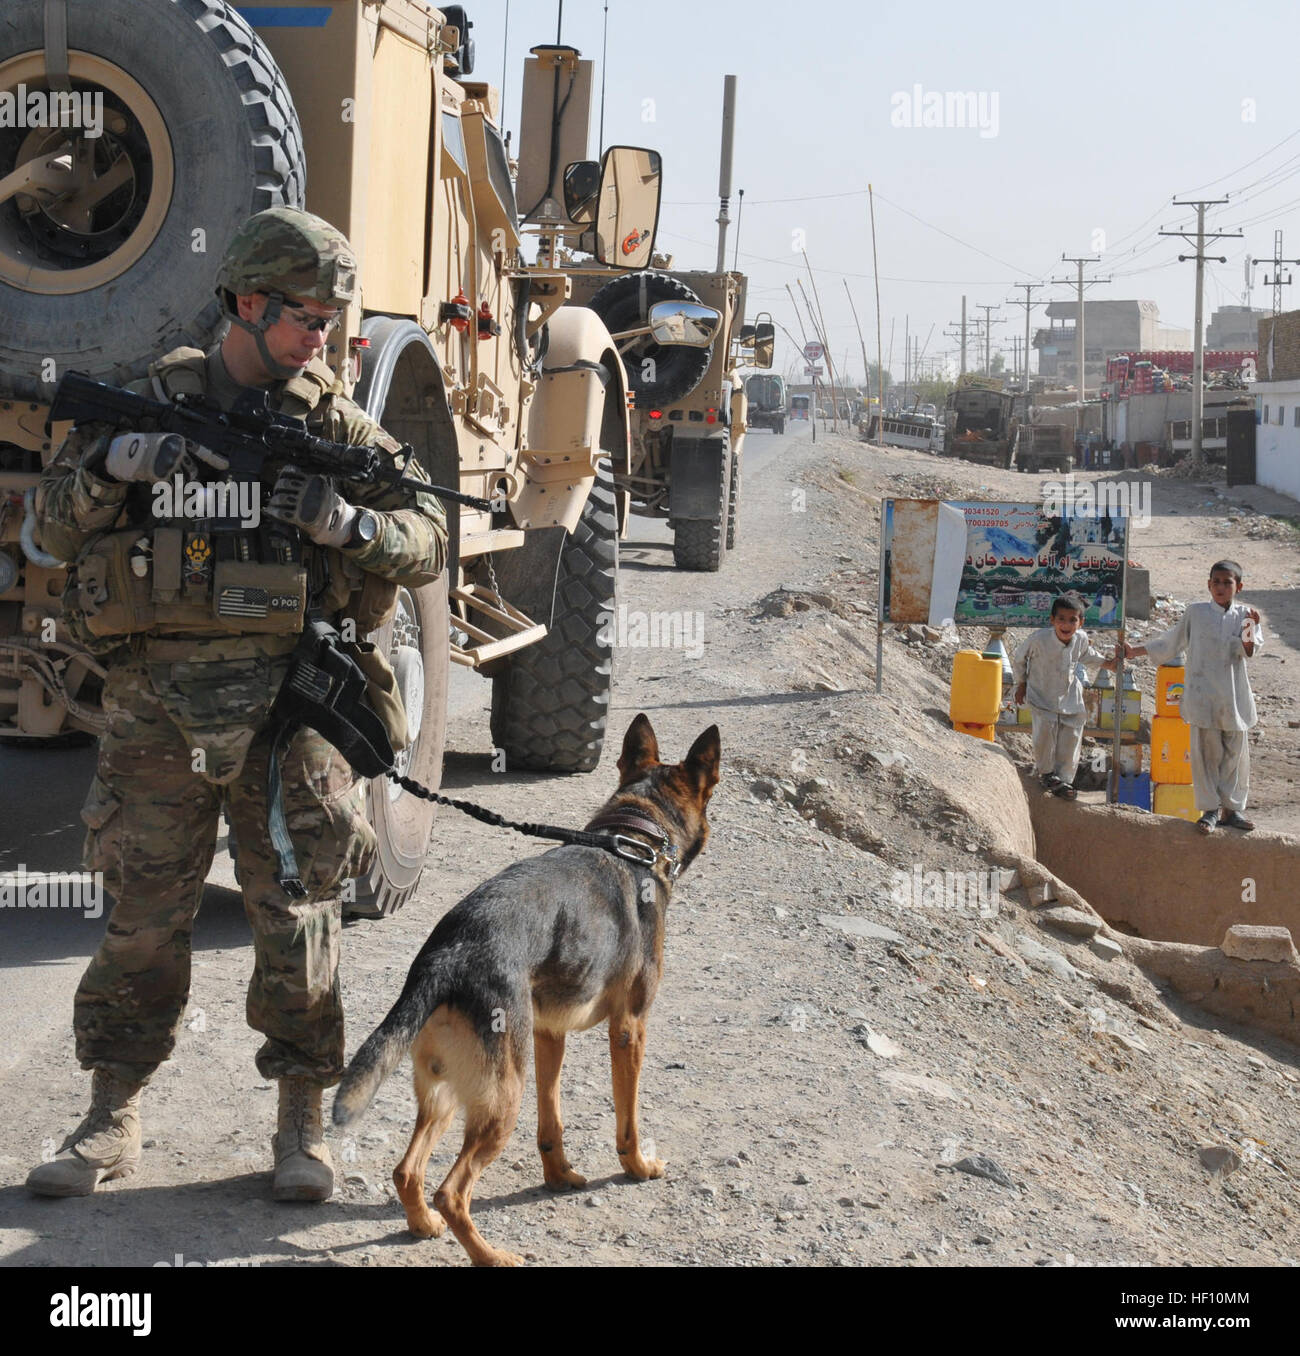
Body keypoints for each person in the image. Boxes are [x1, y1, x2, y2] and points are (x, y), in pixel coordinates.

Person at [27, 207, 447, 1202]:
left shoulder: (329, 421)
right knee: (139, 919)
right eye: (309, 317)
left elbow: (429, 533)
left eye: (335, 319)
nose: (326, 339)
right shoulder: (147, 402)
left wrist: (351, 527)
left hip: (287, 719)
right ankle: (108, 1119)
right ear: (249, 304)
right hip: (155, 715)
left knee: (299, 923)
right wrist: (113, 468)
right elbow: (46, 535)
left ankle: (304, 1126)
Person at [1124, 560, 1262, 834]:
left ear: (1239, 586)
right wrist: (1135, 651)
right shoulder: (1196, 613)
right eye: (1217, 582)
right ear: (1208, 584)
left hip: (1233, 699)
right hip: (1203, 698)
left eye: (1227, 582)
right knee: (1206, 755)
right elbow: (1171, 642)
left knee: (1235, 757)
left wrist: (1249, 625)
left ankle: (1232, 811)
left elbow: (1248, 650)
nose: (1221, 587)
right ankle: (1210, 811)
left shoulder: (1247, 614)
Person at [1013, 592, 1118, 799]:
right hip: (1041, 694)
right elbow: (1019, 659)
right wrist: (1022, 684)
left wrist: (1108, 664)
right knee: (1044, 735)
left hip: (1070, 696)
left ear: (1081, 622)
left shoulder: (1080, 639)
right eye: (1061, 619)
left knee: (1071, 739)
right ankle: (1046, 773)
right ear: (1052, 620)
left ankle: (1064, 781)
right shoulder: (1038, 639)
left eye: (1072, 620)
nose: (1066, 624)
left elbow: (1087, 655)